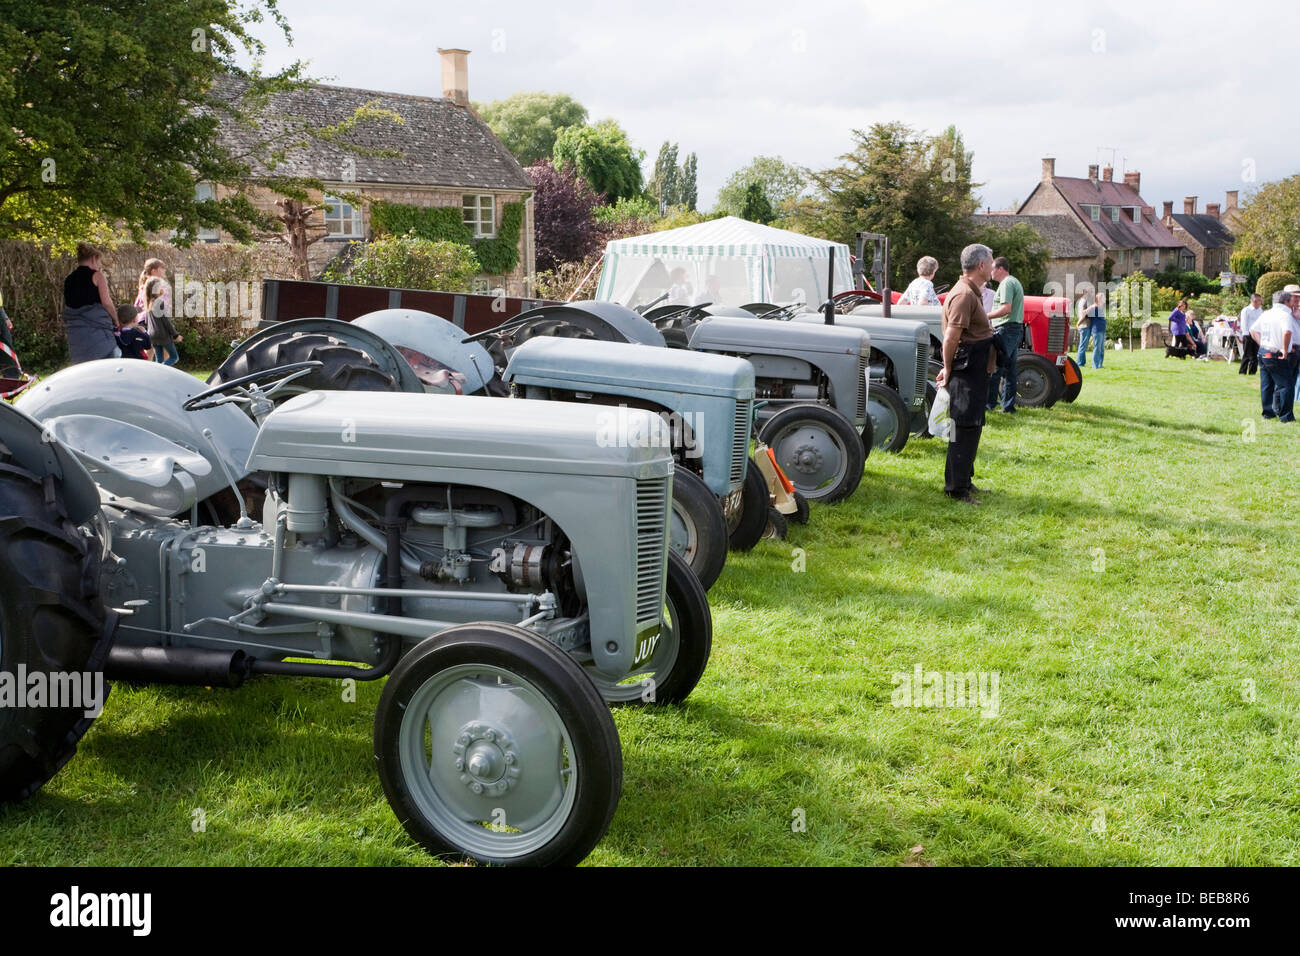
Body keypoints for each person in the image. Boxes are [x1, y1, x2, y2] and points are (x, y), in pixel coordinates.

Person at [937, 243, 997, 504]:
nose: (994, 266)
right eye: (992, 261)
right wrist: (948, 368)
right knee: (963, 427)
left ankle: (964, 481)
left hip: (975, 369)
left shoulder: (971, 292)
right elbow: (951, 337)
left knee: (971, 426)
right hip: (966, 369)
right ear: (981, 265)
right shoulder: (963, 295)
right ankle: (956, 489)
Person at [62, 242, 120, 363]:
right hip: (97, 331)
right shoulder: (97, 276)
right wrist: (116, 319)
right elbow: (107, 303)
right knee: (116, 356)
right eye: (99, 262)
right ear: (94, 259)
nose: (99, 266)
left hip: (76, 334)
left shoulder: (69, 279)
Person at [985, 256, 1024, 413]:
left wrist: (985, 316)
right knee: (1010, 370)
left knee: (996, 367)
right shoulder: (1014, 281)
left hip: (1006, 329)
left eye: (993, 268)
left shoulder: (1006, 283)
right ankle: (1008, 406)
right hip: (1013, 329)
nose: (991, 272)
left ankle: (989, 404)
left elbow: (1006, 308)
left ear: (1000, 269)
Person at [1253, 290, 1298, 421]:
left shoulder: (1266, 313)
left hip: (1263, 351)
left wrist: (1262, 343)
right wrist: (1284, 349)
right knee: (1286, 385)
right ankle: (1286, 416)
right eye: (1291, 301)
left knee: (1266, 385)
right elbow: (1287, 332)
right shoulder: (1285, 315)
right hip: (1275, 353)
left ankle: (1268, 413)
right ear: (1286, 302)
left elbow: (1253, 330)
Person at [143, 275, 181, 366]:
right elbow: (166, 321)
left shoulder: (148, 304)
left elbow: (146, 322)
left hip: (152, 336)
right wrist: (175, 335)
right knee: (174, 357)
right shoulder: (159, 302)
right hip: (163, 335)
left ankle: (157, 375)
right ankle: (161, 370)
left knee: (159, 360)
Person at [1075, 292, 1106, 369]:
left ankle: (1099, 364)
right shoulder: (1091, 305)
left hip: (1100, 329)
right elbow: (1085, 313)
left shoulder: (1099, 307)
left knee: (1101, 348)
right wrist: (1078, 323)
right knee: (1093, 347)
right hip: (1093, 328)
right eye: (1103, 297)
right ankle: (1088, 364)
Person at [1239, 293, 1264, 374]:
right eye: (1259, 301)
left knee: (1256, 354)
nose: (1260, 303)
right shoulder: (1246, 310)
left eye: (1260, 301)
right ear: (1254, 301)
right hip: (1248, 334)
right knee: (1247, 354)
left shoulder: (1260, 310)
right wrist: (1246, 335)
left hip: (1257, 334)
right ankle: (1243, 371)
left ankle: (1252, 372)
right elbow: (1244, 323)